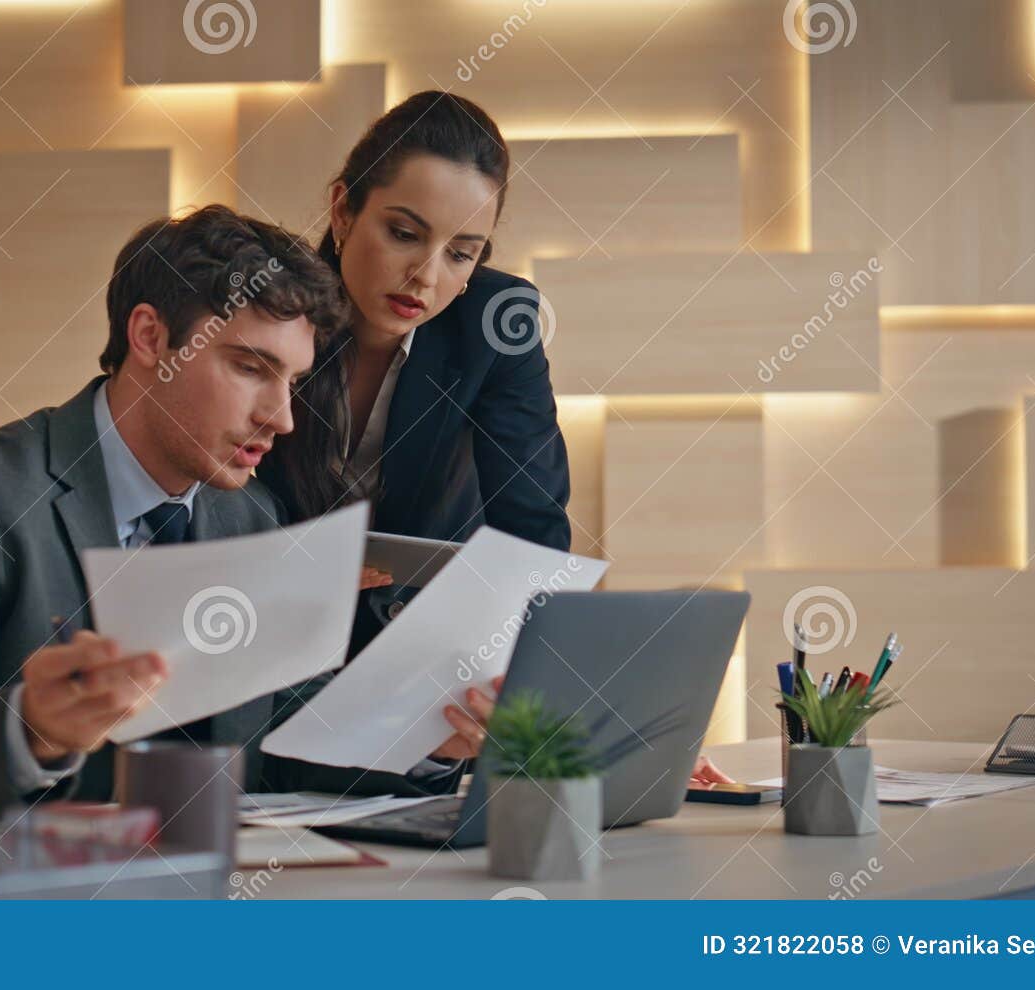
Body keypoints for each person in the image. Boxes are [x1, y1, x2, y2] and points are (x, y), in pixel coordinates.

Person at [0, 206, 476, 829]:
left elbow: (282, 747)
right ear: (149, 337)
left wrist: (423, 735)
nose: (281, 418)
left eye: (293, 382)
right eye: (250, 367)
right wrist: (32, 728)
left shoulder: (251, 516)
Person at [263, 92, 731, 785]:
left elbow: (532, 532)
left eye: (462, 253)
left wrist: (581, 731)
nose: (427, 276)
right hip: (272, 659)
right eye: (403, 233)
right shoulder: (267, 312)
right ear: (342, 211)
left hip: (428, 680)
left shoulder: (495, 320)